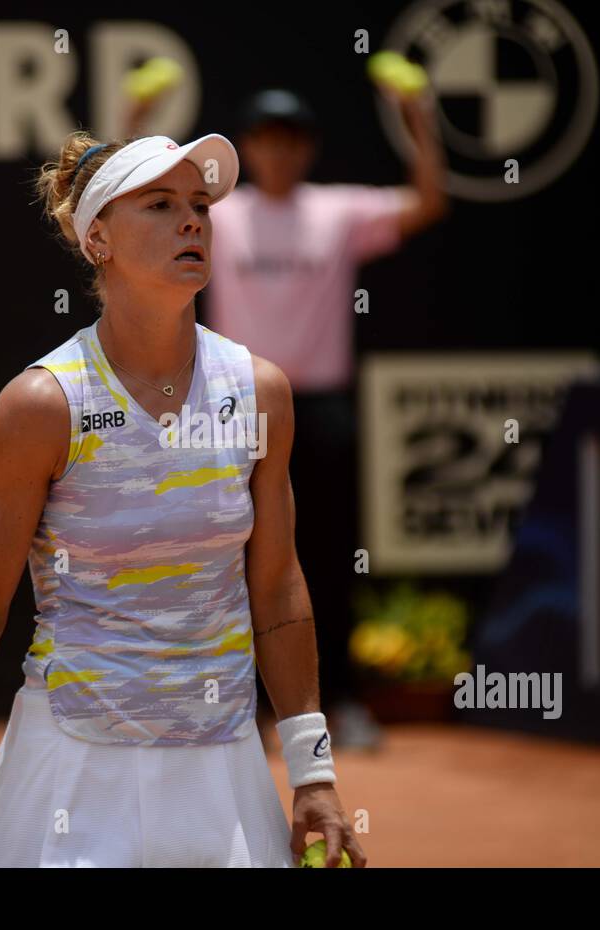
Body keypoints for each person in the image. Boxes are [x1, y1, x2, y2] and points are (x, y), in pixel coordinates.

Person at [0, 130, 367, 868]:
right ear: (98, 238)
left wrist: (313, 772)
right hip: (71, 759)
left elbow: (276, 587)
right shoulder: (43, 403)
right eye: (162, 204)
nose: (193, 221)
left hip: (221, 759)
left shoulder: (259, 392)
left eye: (201, 204)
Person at [204, 89, 450, 750]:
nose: (277, 151)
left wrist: (418, 119)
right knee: (240, 557)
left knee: (330, 560)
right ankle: (248, 713)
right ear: (247, 148)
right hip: (240, 407)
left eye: (289, 139)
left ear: (306, 149)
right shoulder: (219, 214)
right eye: (264, 138)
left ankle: (337, 704)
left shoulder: (337, 210)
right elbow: (131, 198)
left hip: (323, 409)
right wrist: (133, 122)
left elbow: (429, 202)